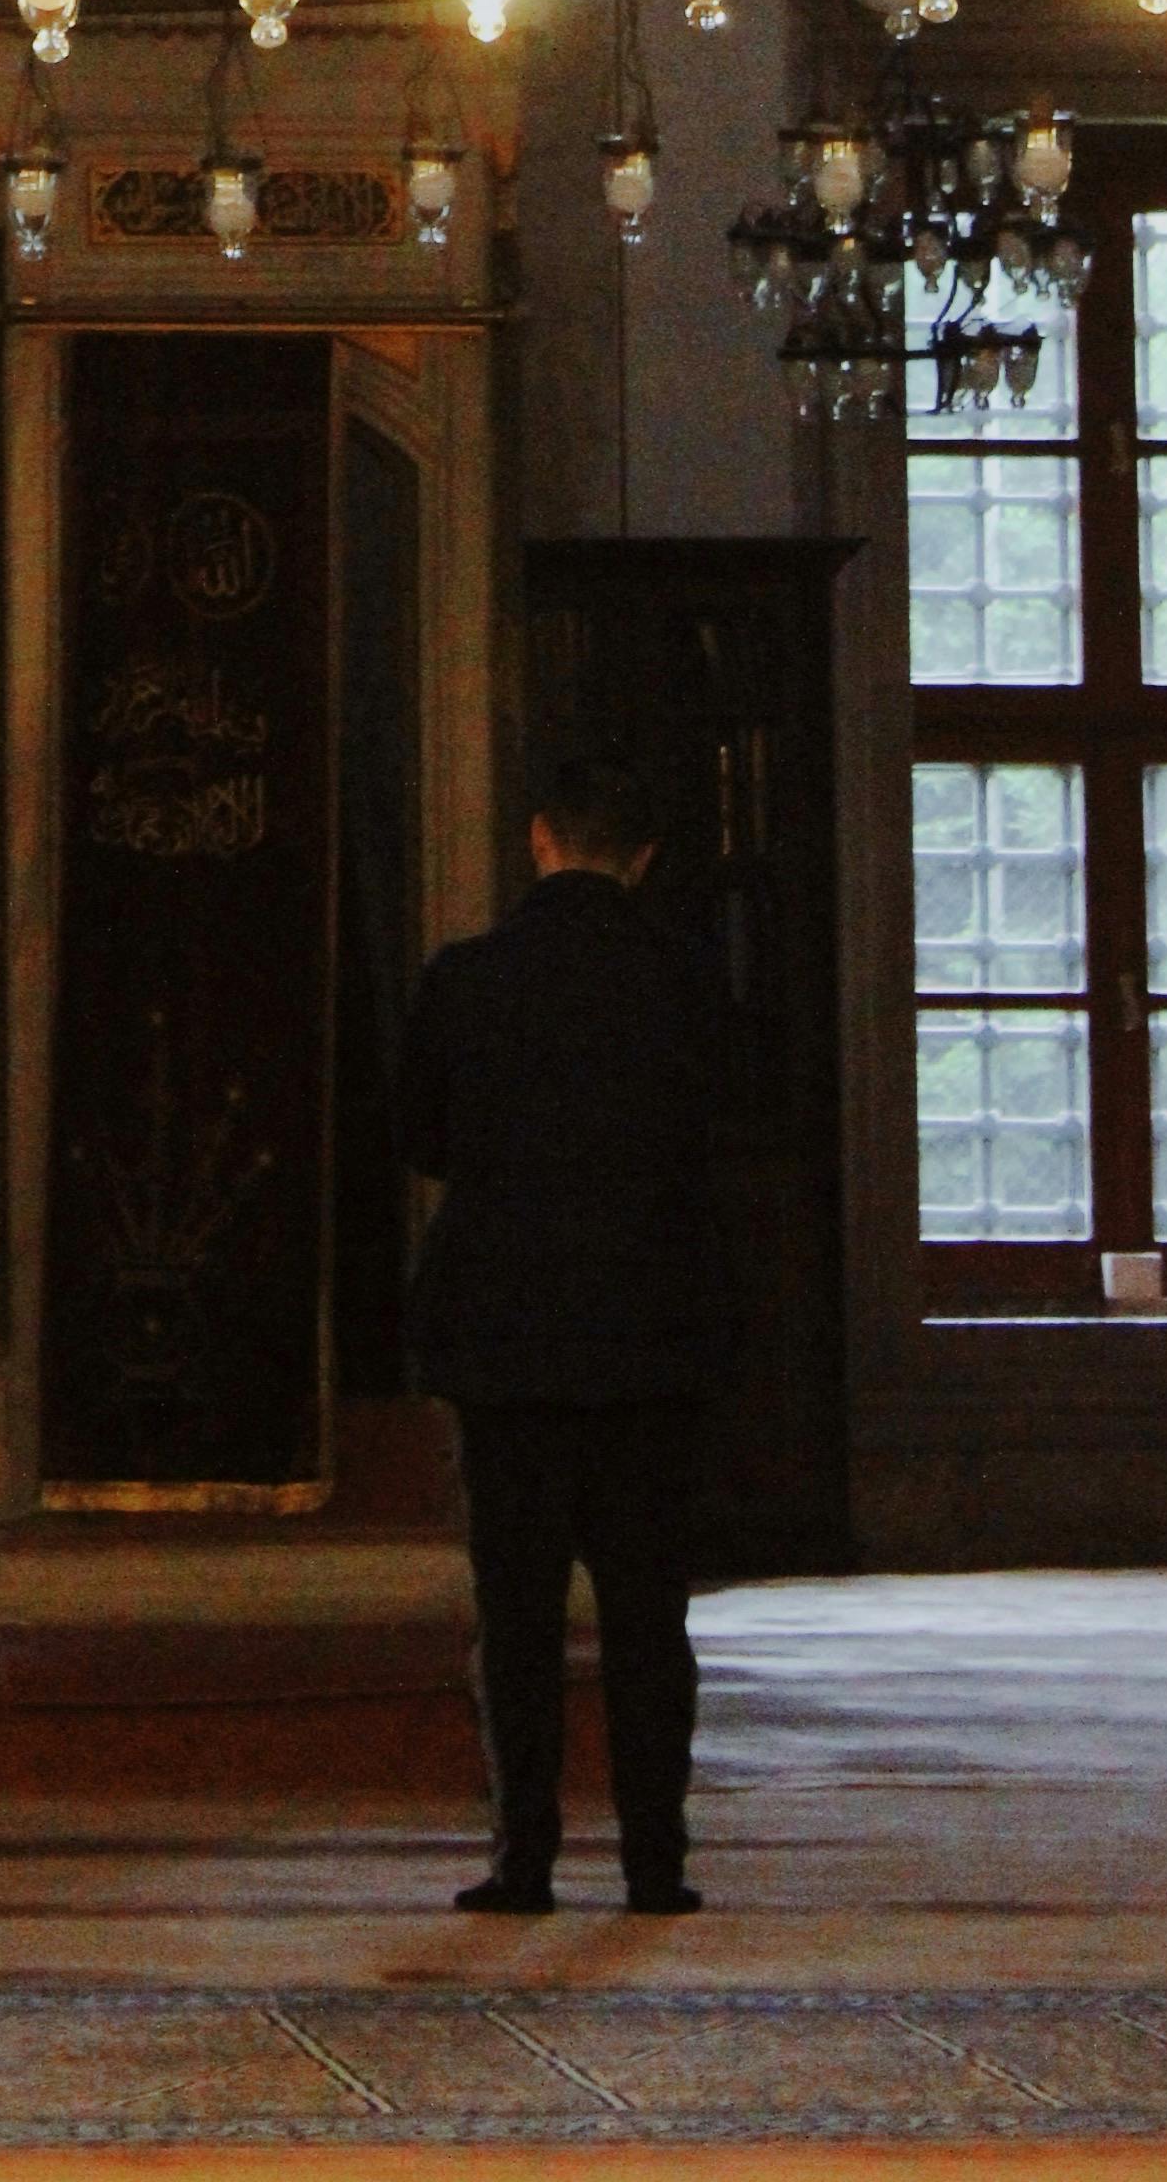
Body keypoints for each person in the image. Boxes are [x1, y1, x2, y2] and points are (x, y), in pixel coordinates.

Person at [397, 744, 721, 1920]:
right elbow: (712, 1142)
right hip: (648, 1336)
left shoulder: (468, 979)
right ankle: (656, 1865)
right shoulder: (686, 981)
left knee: (520, 1613)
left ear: (539, 838)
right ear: (643, 858)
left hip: (507, 1340)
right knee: (648, 1619)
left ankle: (523, 1858)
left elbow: (426, 1141)